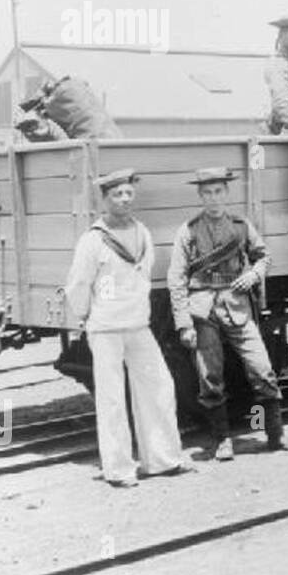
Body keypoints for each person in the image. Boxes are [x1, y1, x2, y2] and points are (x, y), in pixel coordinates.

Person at [167, 167, 288, 458]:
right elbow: (176, 279)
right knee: (210, 378)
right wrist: (184, 325)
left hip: (238, 307)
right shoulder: (188, 231)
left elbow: (264, 256)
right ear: (200, 196)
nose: (213, 198)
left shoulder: (241, 226)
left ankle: (276, 436)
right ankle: (222, 440)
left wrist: (254, 274)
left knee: (262, 369)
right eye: (207, 193)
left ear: (226, 193)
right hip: (203, 310)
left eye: (218, 192)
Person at [64, 169, 190, 487]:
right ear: (104, 199)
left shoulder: (142, 232)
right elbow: (78, 284)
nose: (123, 200)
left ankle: (162, 459)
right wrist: (88, 316)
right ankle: (119, 469)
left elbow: (143, 275)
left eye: (128, 194)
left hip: (137, 324)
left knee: (159, 387)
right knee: (112, 399)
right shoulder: (92, 240)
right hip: (105, 329)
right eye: (116, 195)